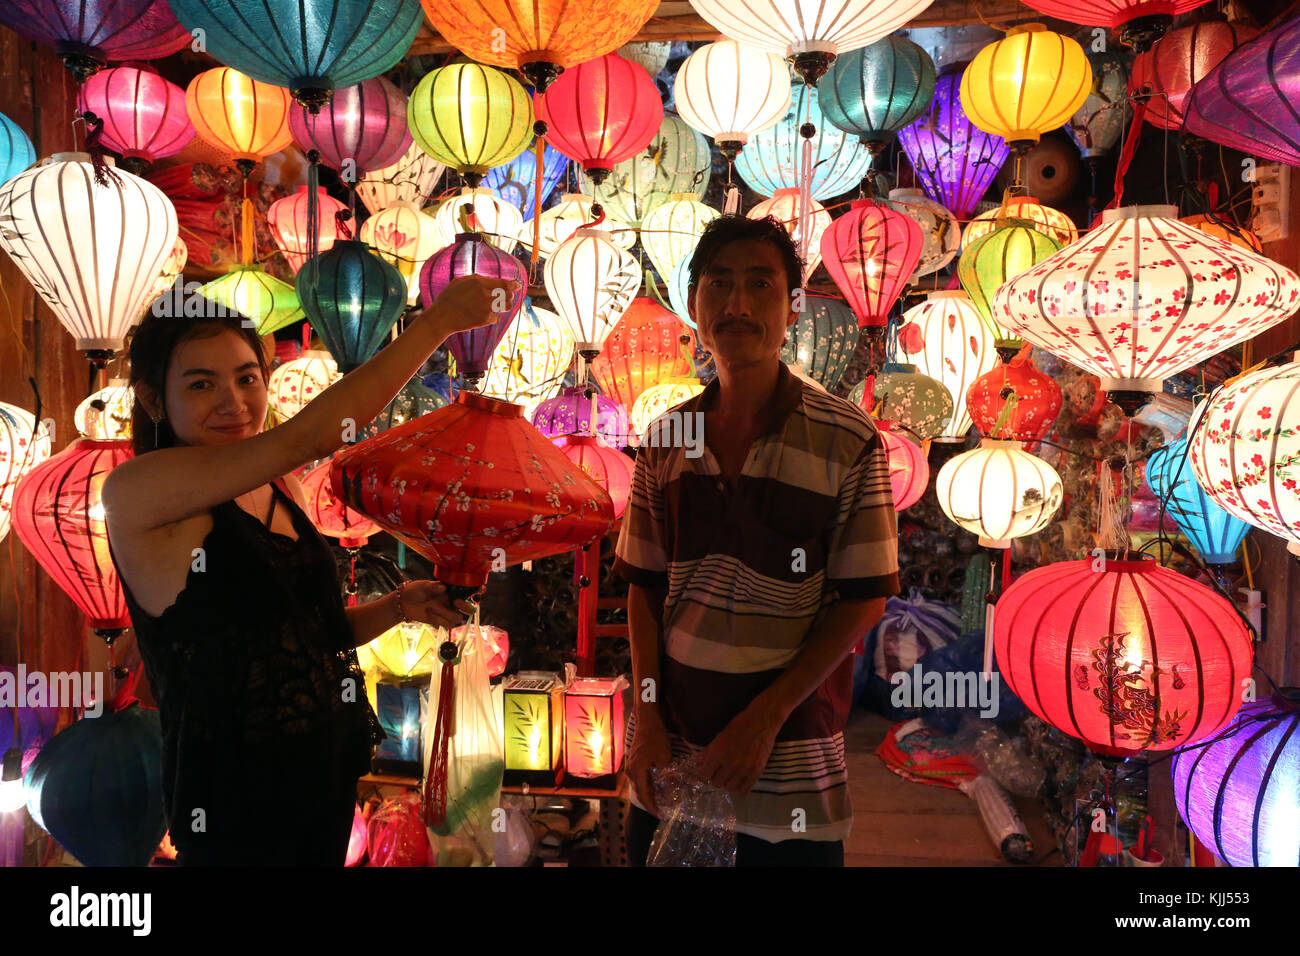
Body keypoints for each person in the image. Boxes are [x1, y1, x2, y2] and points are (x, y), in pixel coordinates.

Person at [103, 274, 515, 866]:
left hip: (323, 784)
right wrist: (436, 324)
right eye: (201, 384)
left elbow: (305, 639)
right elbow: (309, 436)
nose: (234, 402)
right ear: (150, 398)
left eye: (247, 379)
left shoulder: (279, 487)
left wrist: (400, 606)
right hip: (233, 810)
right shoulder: (138, 492)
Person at [613, 216, 900, 866]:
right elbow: (645, 588)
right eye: (719, 283)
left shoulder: (845, 438)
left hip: (790, 767)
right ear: (694, 305)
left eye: (760, 285)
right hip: (673, 761)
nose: (737, 304)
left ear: (791, 306)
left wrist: (763, 719)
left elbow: (862, 600)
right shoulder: (667, 438)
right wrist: (648, 720)